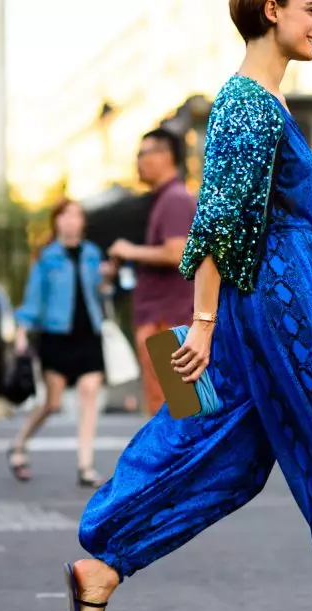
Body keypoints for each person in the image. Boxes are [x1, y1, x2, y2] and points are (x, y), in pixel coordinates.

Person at [63, 0, 312, 611]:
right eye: (309, 9)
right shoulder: (246, 104)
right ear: (271, 10)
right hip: (281, 308)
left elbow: (282, 217)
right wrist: (202, 326)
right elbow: (217, 226)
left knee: (227, 453)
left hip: (276, 295)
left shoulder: (266, 103)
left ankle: (105, 562)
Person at [11, 198, 113, 487]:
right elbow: (33, 300)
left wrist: (107, 281)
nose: (70, 221)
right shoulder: (46, 257)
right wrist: (21, 333)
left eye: (76, 216)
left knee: (89, 393)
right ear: (56, 221)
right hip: (56, 336)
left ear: (82, 222)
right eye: (65, 216)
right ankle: (19, 443)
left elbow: (103, 294)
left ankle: (86, 465)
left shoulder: (93, 253)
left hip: (88, 334)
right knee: (51, 404)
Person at [108, 128, 197, 416]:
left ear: (165, 155)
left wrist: (129, 251)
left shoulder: (174, 199)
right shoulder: (165, 199)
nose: (138, 162)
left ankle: (177, 464)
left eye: (143, 153)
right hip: (163, 320)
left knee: (173, 412)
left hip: (167, 321)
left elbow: (177, 253)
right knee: (172, 409)